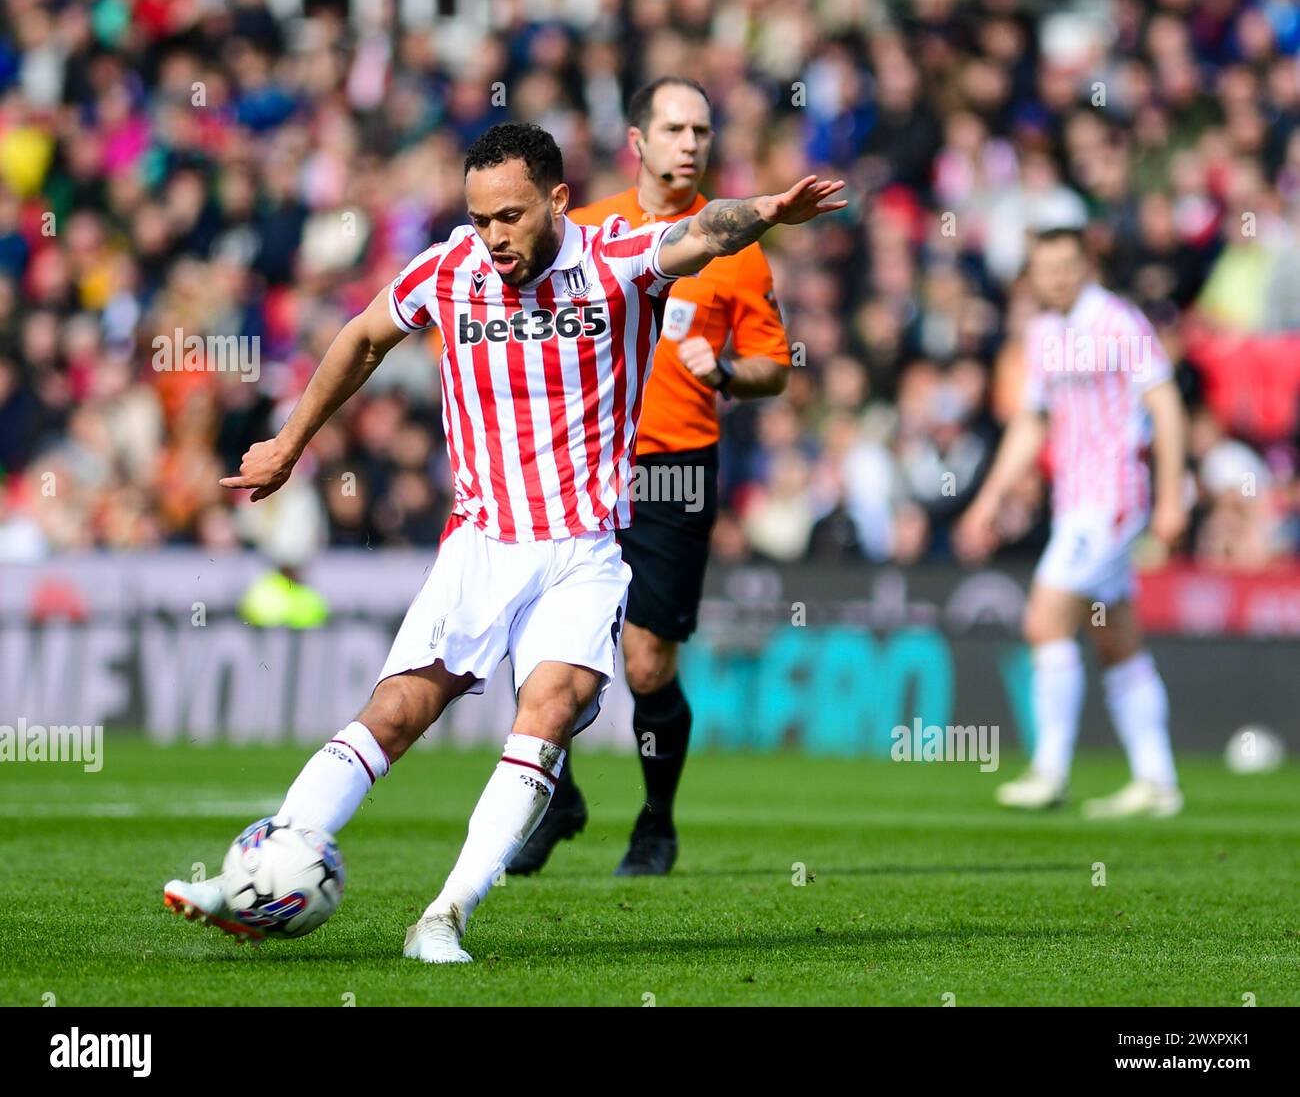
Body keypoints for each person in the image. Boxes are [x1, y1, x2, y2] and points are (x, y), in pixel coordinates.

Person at [162, 122, 845, 963]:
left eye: (511, 217)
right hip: (482, 541)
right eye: (480, 217)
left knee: (550, 710)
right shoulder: (450, 267)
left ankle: (444, 916)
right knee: (399, 711)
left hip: (583, 549)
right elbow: (365, 336)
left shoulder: (614, 261)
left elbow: (702, 233)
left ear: (558, 200)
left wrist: (768, 212)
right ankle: (255, 874)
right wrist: (291, 444)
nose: (494, 237)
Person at [509, 76, 792, 878]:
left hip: (676, 469)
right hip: (583, 459)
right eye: (674, 129)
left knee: (645, 664)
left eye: (701, 130)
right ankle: (556, 798)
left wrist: (729, 372)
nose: (691, 143)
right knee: (534, 636)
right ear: (637, 140)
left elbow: (776, 369)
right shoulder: (586, 231)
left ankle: (657, 823)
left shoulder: (733, 248)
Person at [956, 227, 1188, 818]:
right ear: (1031, 275)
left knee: (1043, 621)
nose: (1056, 276)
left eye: (1066, 264)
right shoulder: (1041, 334)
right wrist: (987, 501)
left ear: (1086, 264)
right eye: (1045, 267)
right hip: (1074, 504)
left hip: (1113, 498)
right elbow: (1031, 423)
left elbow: (1165, 405)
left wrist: (1170, 499)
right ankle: (1157, 781)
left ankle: (1049, 770)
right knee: (1117, 638)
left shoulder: (1118, 322)